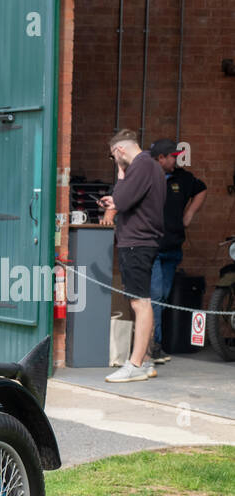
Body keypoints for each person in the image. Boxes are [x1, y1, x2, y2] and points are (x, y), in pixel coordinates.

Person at [99, 130, 165, 383]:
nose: (115, 160)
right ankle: (145, 361)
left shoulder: (139, 165)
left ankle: (135, 363)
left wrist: (120, 172)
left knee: (139, 302)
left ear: (120, 151)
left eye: (114, 156)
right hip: (143, 240)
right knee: (142, 301)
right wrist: (114, 200)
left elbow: (123, 200)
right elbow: (126, 199)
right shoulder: (151, 166)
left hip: (137, 242)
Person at [146, 139, 207, 365]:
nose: (176, 159)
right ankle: (154, 345)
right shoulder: (147, 176)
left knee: (162, 297)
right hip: (152, 248)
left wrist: (189, 214)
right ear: (160, 158)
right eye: (172, 156)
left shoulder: (183, 178)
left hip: (173, 248)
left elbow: (201, 190)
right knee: (156, 297)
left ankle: (155, 344)